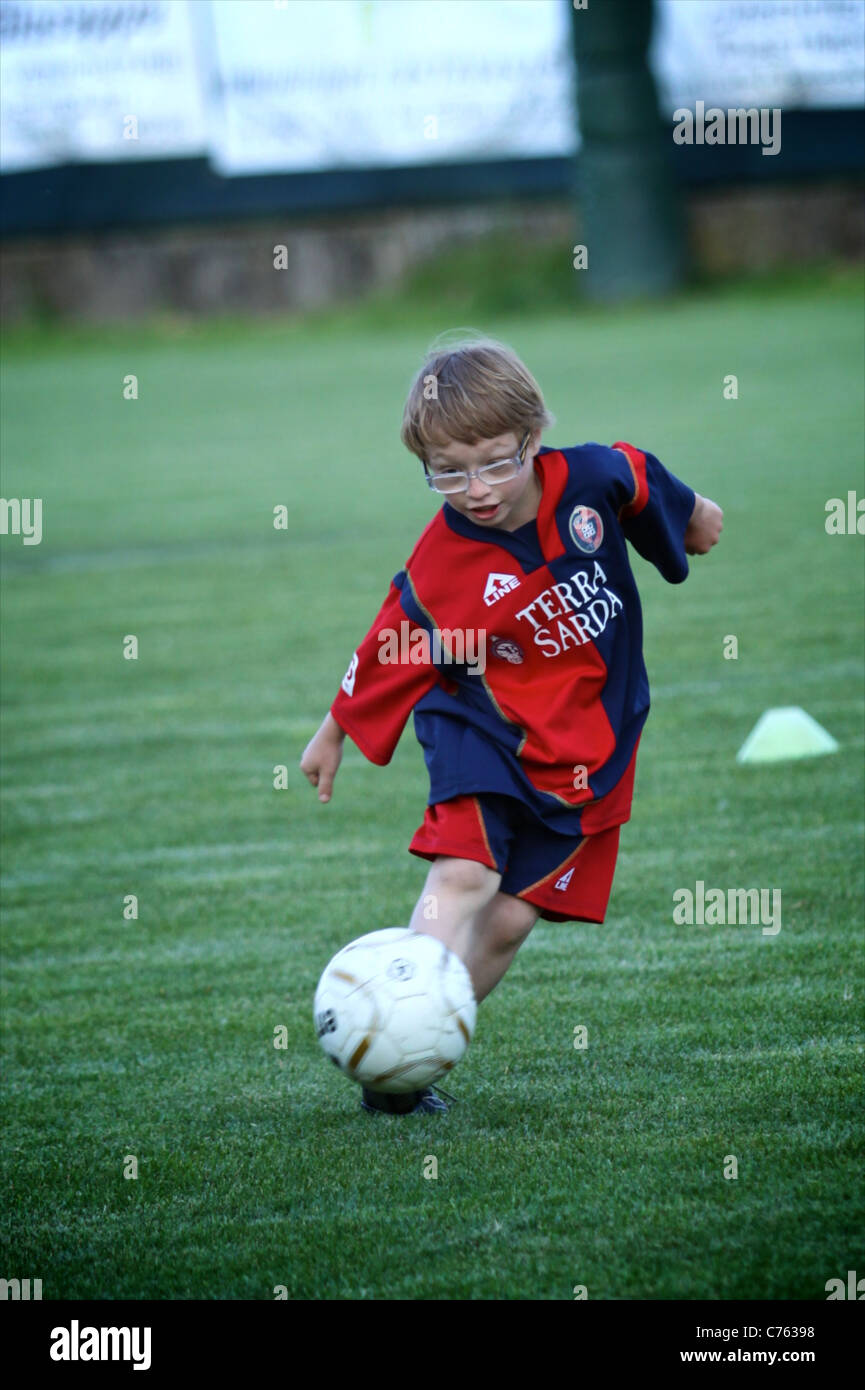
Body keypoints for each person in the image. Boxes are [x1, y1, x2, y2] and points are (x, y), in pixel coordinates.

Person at [301, 335, 723, 1115]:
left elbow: (644, 478)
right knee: (463, 874)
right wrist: (334, 729)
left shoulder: (591, 475)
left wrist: (693, 517)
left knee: (509, 920)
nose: (475, 487)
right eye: (447, 471)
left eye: (495, 460)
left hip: (589, 739)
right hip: (478, 720)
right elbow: (393, 641)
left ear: (533, 437)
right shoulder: (443, 560)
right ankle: (394, 1037)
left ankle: (411, 1061)